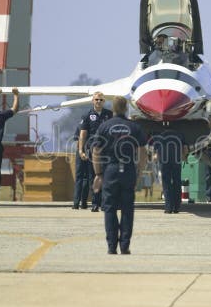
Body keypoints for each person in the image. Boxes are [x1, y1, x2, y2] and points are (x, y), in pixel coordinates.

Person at [91, 96, 147, 255]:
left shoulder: (104, 126)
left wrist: (98, 174)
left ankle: (111, 246)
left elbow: (96, 151)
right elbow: (143, 151)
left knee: (109, 208)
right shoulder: (134, 127)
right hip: (128, 170)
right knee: (127, 209)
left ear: (113, 109)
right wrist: (140, 171)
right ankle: (124, 246)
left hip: (110, 170)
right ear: (126, 109)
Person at [74, 92, 113, 211]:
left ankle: (102, 202)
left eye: (101, 100)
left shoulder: (109, 114)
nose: (98, 102)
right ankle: (94, 203)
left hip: (105, 149)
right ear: (92, 101)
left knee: (104, 176)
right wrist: (81, 150)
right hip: (92, 149)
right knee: (93, 176)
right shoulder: (87, 115)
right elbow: (82, 134)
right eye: (96, 100)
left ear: (104, 101)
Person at [151, 129, 185, 213]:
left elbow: (155, 155)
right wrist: (184, 157)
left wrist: (154, 160)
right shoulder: (179, 134)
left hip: (164, 161)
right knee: (177, 182)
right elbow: (185, 149)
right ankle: (177, 206)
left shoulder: (158, 137)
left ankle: (168, 207)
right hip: (176, 161)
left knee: (166, 184)